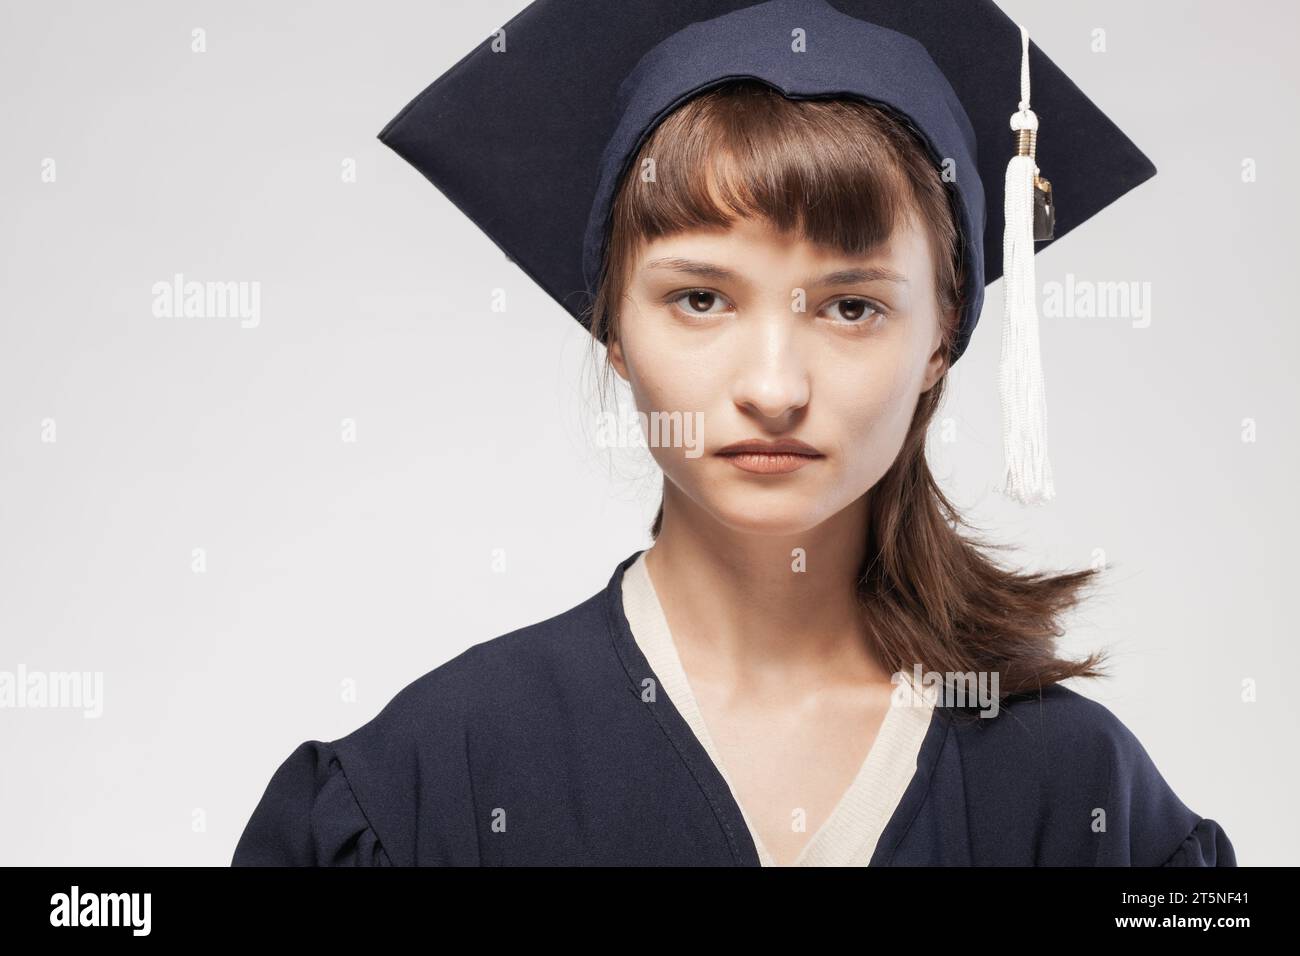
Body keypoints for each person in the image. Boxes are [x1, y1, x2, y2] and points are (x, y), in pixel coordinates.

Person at [231, 0, 1236, 866]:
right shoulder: (426, 786)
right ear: (612, 327)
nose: (772, 385)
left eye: (850, 307)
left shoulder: (1078, 800)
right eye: (701, 297)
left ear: (943, 339)